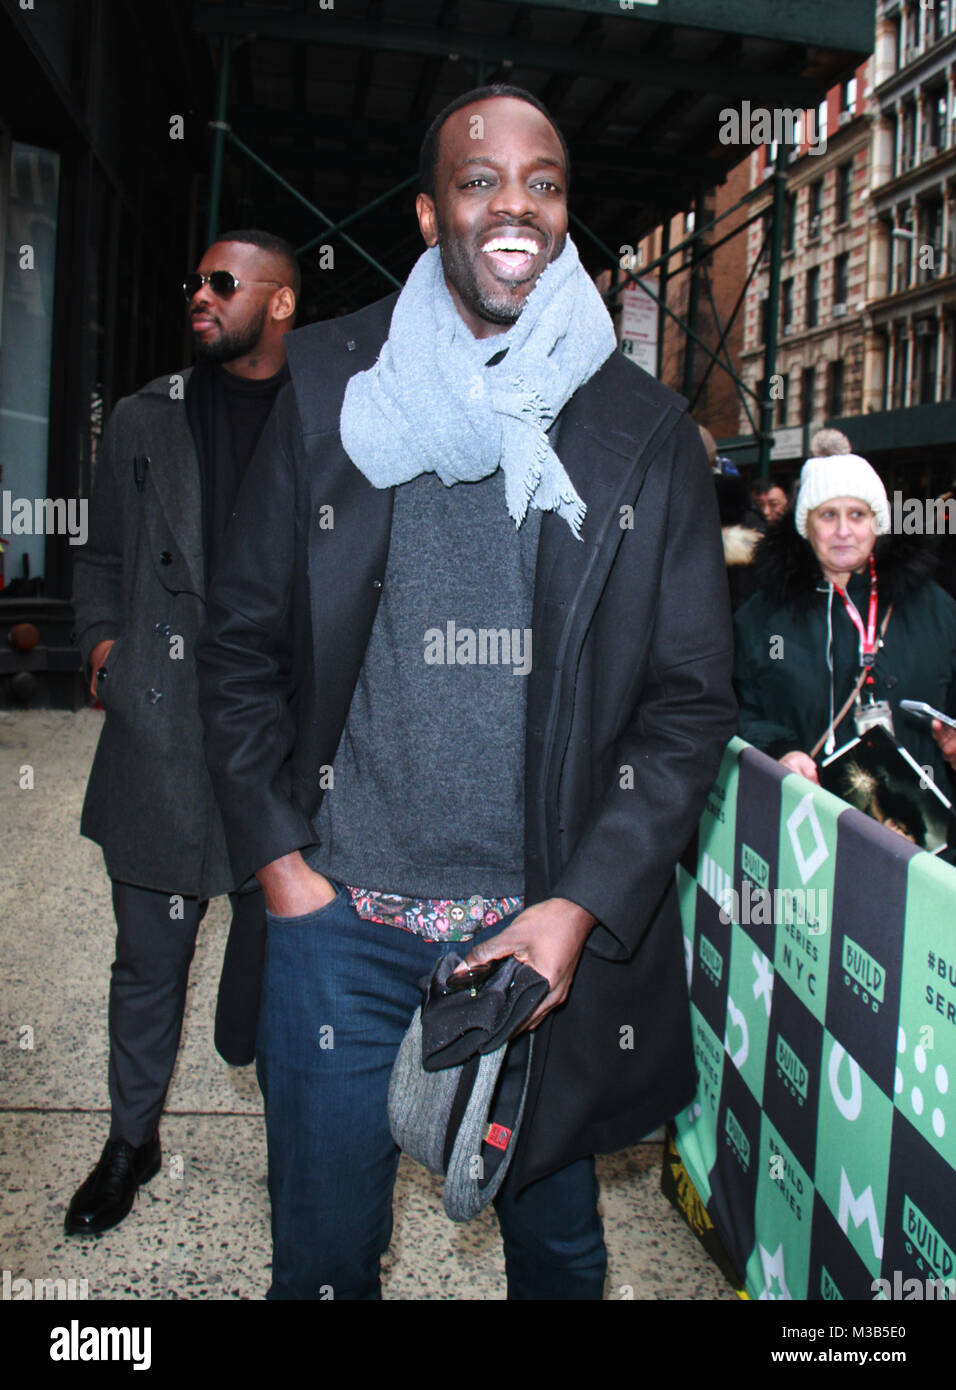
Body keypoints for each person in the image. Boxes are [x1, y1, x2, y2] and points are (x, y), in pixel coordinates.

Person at [196, 86, 737, 1301]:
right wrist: (284, 868)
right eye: (480, 179)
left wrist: (577, 908)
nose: (514, 206)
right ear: (431, 211)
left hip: (531, 945)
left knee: (555, 1261)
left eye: (541, 182)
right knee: (324, 1261)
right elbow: (235, 644)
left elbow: (689, 698)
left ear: (562, 214)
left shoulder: (637, 425)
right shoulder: (336, 380)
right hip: (338, 922)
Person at [67, 229, 299, 1236]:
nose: (195, 295)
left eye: (219, 282)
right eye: (191, 279)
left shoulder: (328, 417)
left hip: (278, 748)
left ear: (280, 302)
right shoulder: (139, 420)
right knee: (147, 958)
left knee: (287, 974)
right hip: (160, 731)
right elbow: (100, 556)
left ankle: (302, 1153)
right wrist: (104, 653)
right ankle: (131, 1138)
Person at [734, 451, 956, 796]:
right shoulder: (761, 616)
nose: (842, 531)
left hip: (914, 828)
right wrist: (778, 750)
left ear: (877, 522)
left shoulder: (932, 607)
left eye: (857, 514)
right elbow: (733, 706)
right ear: (806, 525)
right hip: (805, 820)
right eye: (827, 515)